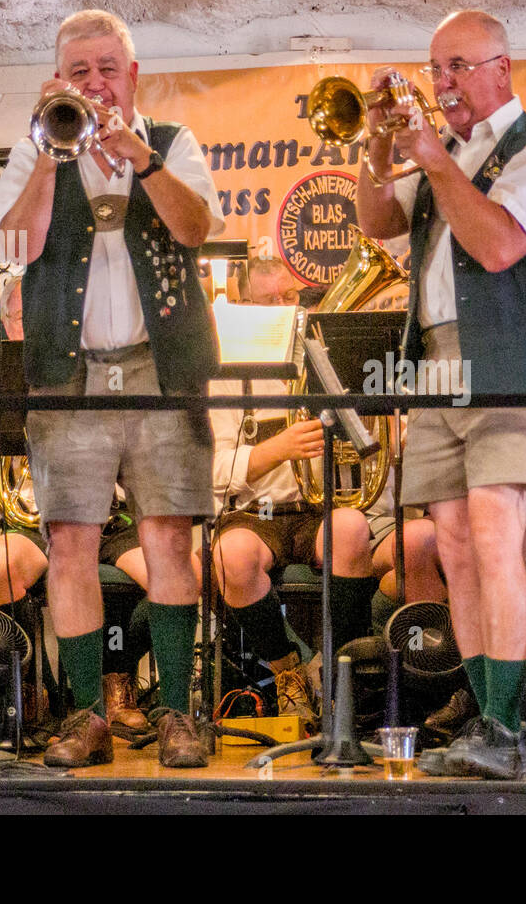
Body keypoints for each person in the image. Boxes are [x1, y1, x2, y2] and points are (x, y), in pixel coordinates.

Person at [356, 9, 526, 779]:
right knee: (456, 548)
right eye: (436, 69)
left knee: (495, 536)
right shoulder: (447, 160)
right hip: (440, 366)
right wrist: (372, 149)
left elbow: (498, 247)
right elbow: (375, 225)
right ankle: (483, 707)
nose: (443, 84)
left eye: (459, 66)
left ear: (503, 68)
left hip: (516, 367)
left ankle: (506, 725)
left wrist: (432, 159)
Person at [0, 9, 223, 769]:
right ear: (59, 80)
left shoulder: (173, 143)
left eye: (106, 69)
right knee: (68, 543)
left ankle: (180, 714)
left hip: (163, 369)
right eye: (78, 72)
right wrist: (51, 157)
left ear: (133, 76)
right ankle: (86, 715)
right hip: (70, 371)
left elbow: (195, 230)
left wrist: (144, 163)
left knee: (167, 539)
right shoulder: (36, 153)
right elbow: (14, 246)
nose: (94, 84)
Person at [0, 273, 159, 734]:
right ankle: (34, 685)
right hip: (26, 524)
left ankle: (116, 673)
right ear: (6, 325)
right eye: (25, 318)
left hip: (105, 517)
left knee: (176, 576)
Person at [206, 256, 379, 730]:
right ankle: (289, 672)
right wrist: (275, 450)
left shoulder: (327, 358)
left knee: (351, 529)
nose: (285, 308)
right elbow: (213, 471)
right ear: (245, 306)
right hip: (253, 515)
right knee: (232, 558)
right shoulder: (225, 370)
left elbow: (367, 445)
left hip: (315, 508)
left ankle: (334, 668)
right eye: (270, 301)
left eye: (291, 298)